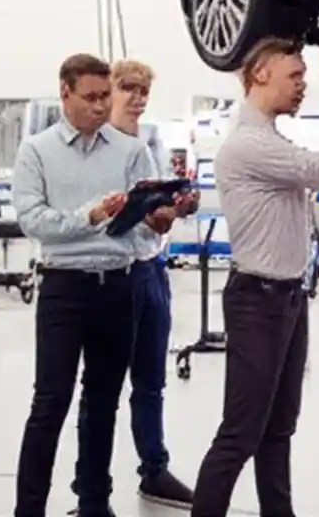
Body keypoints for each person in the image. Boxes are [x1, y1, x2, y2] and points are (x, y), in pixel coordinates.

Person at [192, 38, 319, 517]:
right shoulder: (251, 146)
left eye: (305, 80)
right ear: (260, 73)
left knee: (278, 430)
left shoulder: (270, 140)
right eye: (295, 77)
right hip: (259, 300)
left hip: (287, 298)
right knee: (240, 434)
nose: (303, 88)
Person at [11, 53, 182, 517]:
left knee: (102, 400)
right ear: (64, 93)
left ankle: (94, 504)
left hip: (119, 288)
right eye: (91, 97)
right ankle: (28, 510)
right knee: (50, 402)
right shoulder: (36, 151)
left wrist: (159, 219)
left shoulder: (130, 151)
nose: (102, 106)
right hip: (63, 291)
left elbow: (143, 228)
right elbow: (32, 221)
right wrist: (89, 216)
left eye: (107, 95)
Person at [103, 58, 197, 509]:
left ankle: (154, 470)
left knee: (150, 380)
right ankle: (92, 488)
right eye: (129, 89)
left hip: (152, 270)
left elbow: (155, 219)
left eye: (144, 91)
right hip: (113, 278)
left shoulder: (147, 148)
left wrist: (177, 205)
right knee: (100, 387)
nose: (138, 98)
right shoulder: (99, 149)